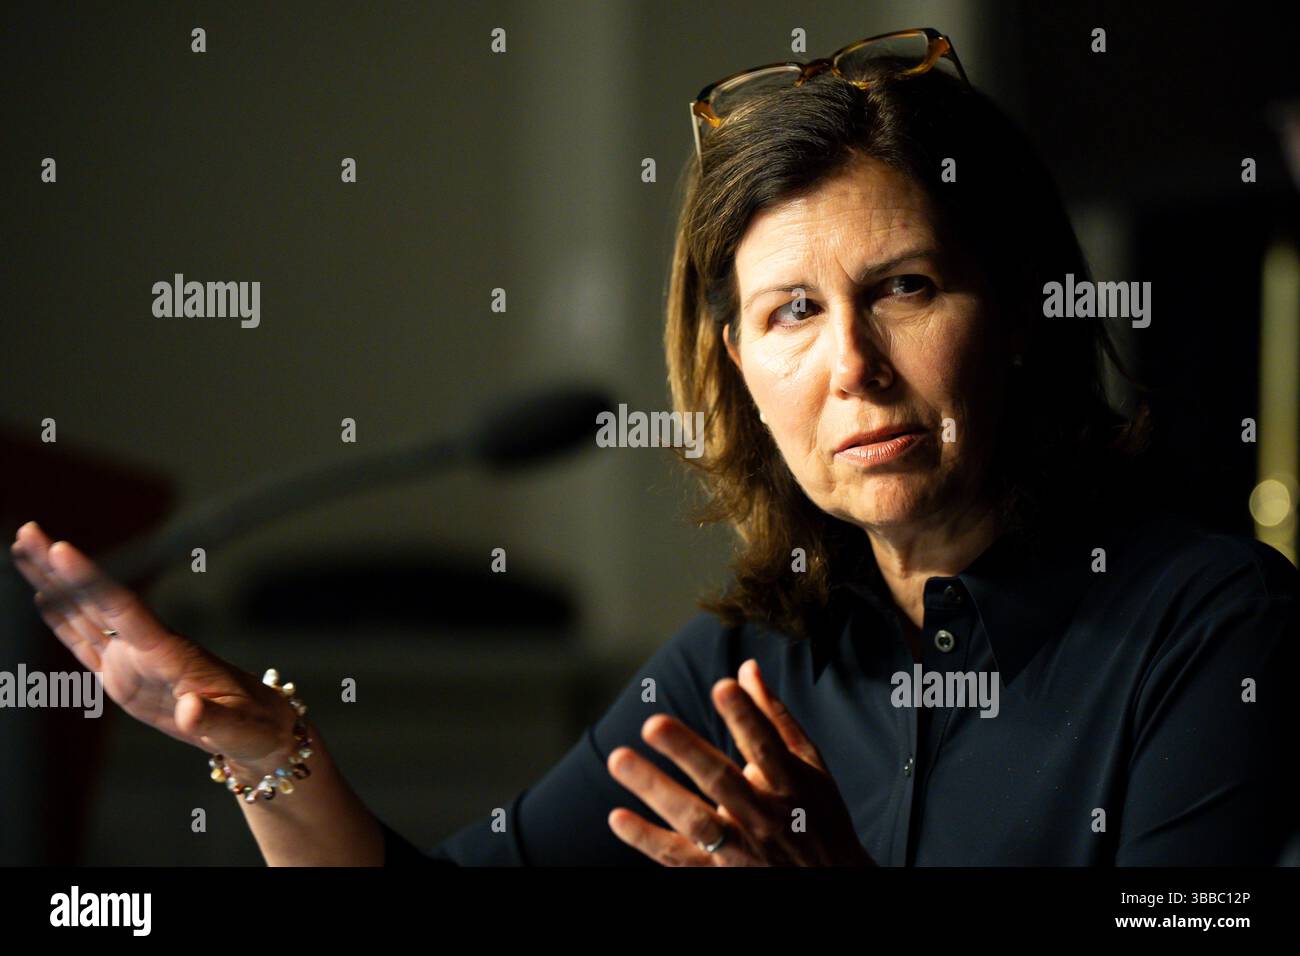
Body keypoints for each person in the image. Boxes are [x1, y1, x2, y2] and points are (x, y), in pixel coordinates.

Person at [10, 28, 1298, 866]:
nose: (852, 365)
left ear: (1017, 313)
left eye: (904, 288)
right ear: (738, 366)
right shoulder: (750, 666)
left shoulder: (1212, 628)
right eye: (792, 313)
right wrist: (266, 753)